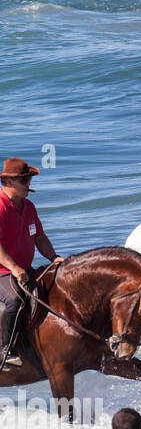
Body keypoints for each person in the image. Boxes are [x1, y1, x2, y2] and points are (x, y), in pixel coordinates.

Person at [0, 158, 61, 369]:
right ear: (8, 181)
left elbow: (40, 238)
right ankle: (5, 351)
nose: (28, 184)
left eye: (29, 179)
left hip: (24, 269)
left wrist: (54, 258)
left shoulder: (29, 206)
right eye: (24, 180)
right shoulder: (0, 207)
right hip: (2, 271)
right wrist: (14, 268)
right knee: (15, 300)